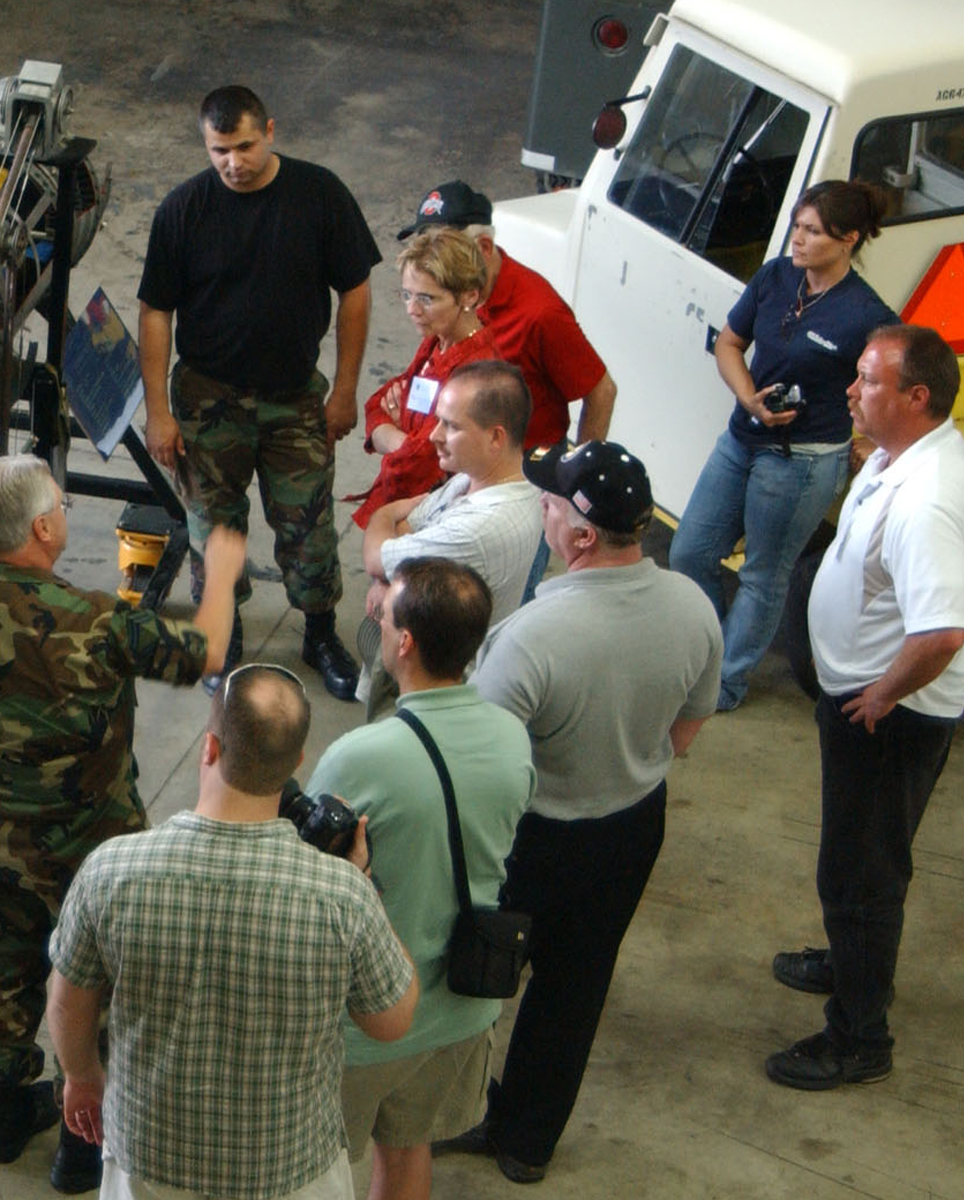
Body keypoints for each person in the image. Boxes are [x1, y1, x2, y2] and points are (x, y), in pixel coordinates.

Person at [0, 454, 245, 1193]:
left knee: (7, 962)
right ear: (44, 528)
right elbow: (206, 652)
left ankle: (4, 1117)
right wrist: (223, 572)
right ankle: (84, 1144)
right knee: (97, 984)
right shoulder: (103, 622)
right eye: (63, 506)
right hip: (93, 852)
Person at [438, 441, 722, 1183]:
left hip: (534, 837)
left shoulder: (534, 637)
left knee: (474, 978)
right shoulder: (694, 605)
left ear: (581, 536)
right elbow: (685, 732)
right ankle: (527, 1142)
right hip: (632, 826)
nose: (542, 510)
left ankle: (447, 1111)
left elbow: (483, 764)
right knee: (577, 985)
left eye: (552, 503)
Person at [45, 663, 420, 1200]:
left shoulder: (112, 870)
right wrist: (364, 883)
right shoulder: (342, 896)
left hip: (149, 1162)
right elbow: (392, 1020)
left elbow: (67, 1002)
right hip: (289, 1170)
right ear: (295, 762)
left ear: (210, 747)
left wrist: (82, 1076)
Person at [765, 324, 964, 1090]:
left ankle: (859, 1036)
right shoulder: (897, 455)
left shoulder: (925, 501)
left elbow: (945, 630)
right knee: (859, 861)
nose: (851, 391)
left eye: (867, 380)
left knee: (859, 874)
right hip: (864, 701)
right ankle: (848, 958)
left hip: (888, 720)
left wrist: (882, 695)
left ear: (916, 397)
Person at [138, 84, 380, 700]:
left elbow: (355, 292)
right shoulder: (184, 210)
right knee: (212, 529)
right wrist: (159, 412)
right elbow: (155, 311)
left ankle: (320, 634)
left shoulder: (320, 196)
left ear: (270, 131)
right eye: (219, 150)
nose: (233, 163)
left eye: (244, 146)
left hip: (295, 398)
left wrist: (345, 391)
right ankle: (225, 637)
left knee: (309, 527)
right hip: (207, 397)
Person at [306, 557, 534, 1200]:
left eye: (382, 614)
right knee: (408, 1153)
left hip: (369, 1023)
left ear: (403, 643)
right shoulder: (512, 737)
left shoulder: (362, 755)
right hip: (462, 1009)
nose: (375, 620)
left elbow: (310, 869)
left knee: (315, 1172)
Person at [667, 180, 898, 712]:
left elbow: (889, 385)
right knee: (690, 550)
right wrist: (749, 398)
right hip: (743, 437)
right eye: (797, 225)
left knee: (763, 573)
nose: (797, 239)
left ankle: (725, 682)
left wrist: (866, 439)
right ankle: (709, 655)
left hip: (801, 460)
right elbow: (729, 342)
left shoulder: (868, 316)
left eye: (812, 232)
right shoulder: (776, 276)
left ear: (849, 240)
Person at [356, 360, 544, 718]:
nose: (433, 435)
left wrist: (383, 516)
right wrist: (391, 573)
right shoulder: (477, 479)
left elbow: (377, 552)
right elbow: (408, 528)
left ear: (496, 438)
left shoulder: (480, 528)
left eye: (452, 426)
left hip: (429, 692)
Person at [398, 180, 616, 447]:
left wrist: (577, 477)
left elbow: (601, 391)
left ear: (484, 248)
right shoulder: (439, 294)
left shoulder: (539, 312)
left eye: (445, 251)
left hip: (521, 471)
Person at [349, 226, 501, 528]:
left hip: (431, 518)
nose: (411, 309)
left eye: (427, 299)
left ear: (469, 295)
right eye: (407, 295)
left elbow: (415, 464)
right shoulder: (438, 339)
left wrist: (393, 432)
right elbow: (377, 404)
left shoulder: (474, 372)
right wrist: (405, 438)